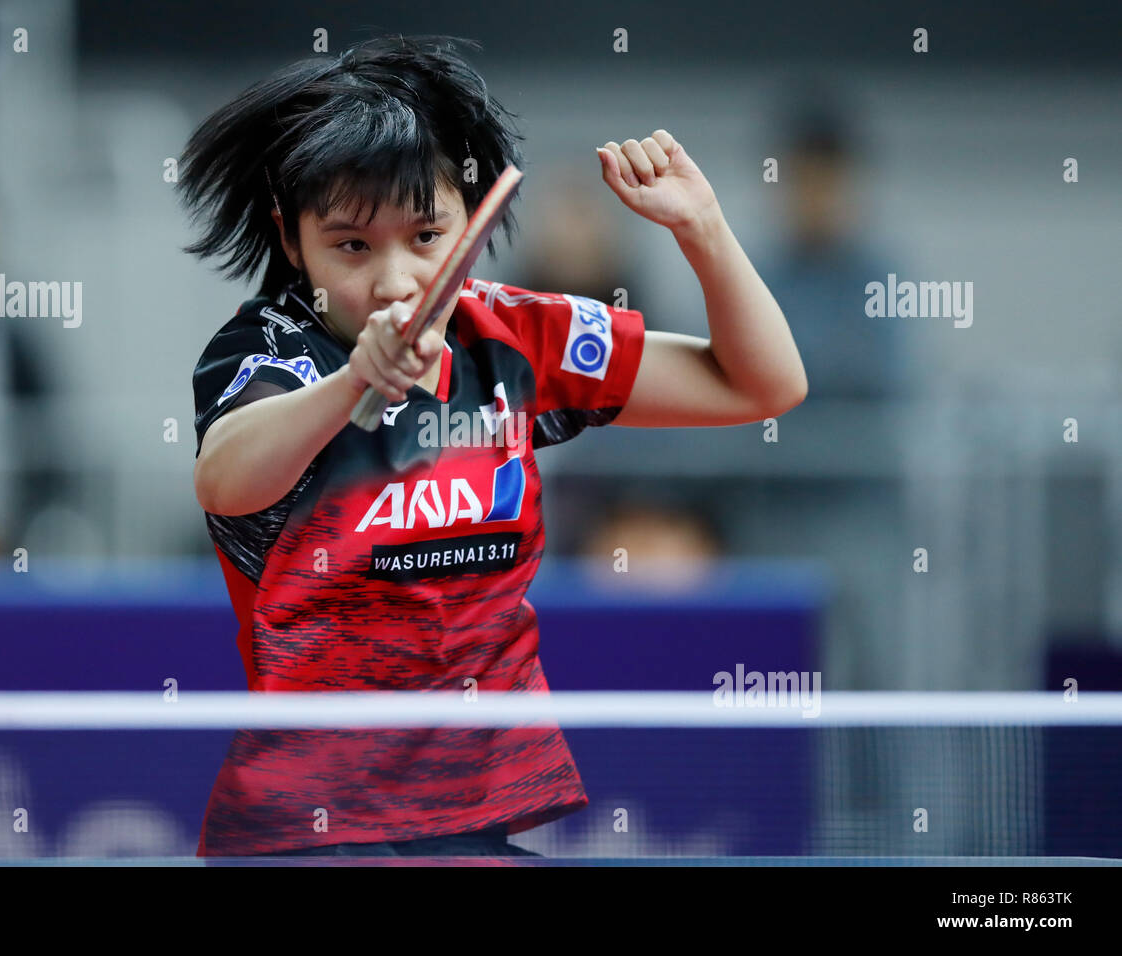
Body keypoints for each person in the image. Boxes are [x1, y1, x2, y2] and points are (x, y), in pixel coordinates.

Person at [179, 34, 807, 857]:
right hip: (314, 824)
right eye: (352, 246)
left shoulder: (510, 337)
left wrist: (705, 233)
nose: (397, 279)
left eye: (426, 236)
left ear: (470, 224)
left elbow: (761, 386)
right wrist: (351, 384)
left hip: (470, 809)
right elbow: (225, 477)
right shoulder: (271, 348)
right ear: (292, 241)